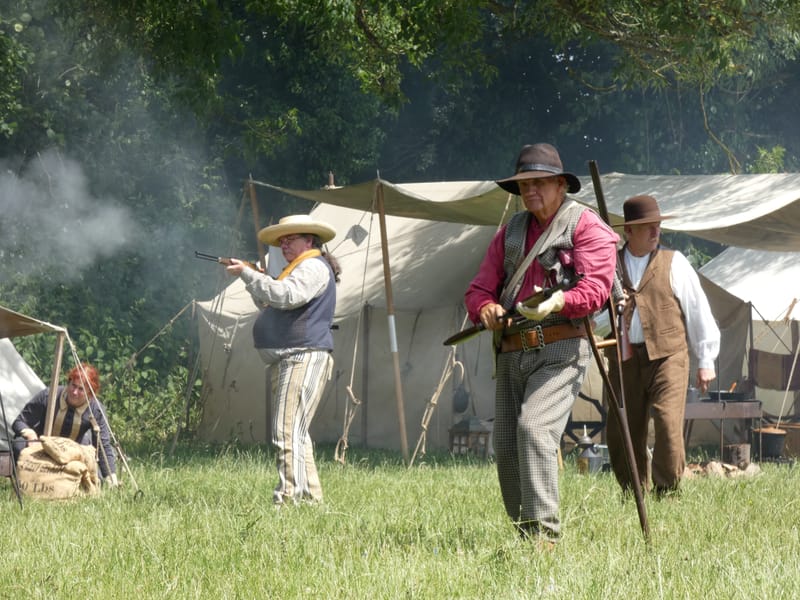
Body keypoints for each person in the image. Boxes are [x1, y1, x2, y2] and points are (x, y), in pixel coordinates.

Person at [464, 143, 619, 543]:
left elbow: (597, 290)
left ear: (559, 184)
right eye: (525, 183)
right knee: (506, 443)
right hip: (512, 348)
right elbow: (479, 288)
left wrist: (560, 300)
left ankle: (545, 539)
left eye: (539, 183)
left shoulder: (587, 226)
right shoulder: (510, 232)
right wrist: (484, 309)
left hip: (561, 348)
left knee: (533, 429)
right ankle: (524, 535)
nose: (531, 191)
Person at [605, 194, 720, 497]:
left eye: (657, 226)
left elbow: (698, 311)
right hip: (624, 359)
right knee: (622, 432)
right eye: (647, 227)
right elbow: (593, 310)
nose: (656, 232)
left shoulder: (675, 262)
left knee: (668, 426)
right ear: (628, 231)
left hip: (668, 357)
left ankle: (666, 492)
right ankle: (634, 493)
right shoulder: (609, 265)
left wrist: (706, 359)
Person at [226, 214, 340, 506]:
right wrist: (255, 277)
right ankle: (311, 500)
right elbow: (271, 303)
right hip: (293, 358)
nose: (283, 244)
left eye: (290, 239)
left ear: (309, 240)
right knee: (296, 435)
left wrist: (250, 275)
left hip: (301, 356)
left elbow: (285, 296)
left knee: (286, 432)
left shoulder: (312, 266)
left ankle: (287, 500)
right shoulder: (298, 269)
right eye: (282, 241)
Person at [12, 363, 119, 485]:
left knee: (95, 471)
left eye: (81, 389)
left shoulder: (96, 410)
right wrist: (30, 434)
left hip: (72, 458)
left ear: (90, 393)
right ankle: (25, 482)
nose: (74, 392)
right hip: (41, 452)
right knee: (18, 445)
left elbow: (103, 446)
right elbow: (19, 421)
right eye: (73, 385)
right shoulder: (49, 395)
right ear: (68, 382)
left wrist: (111, 478)